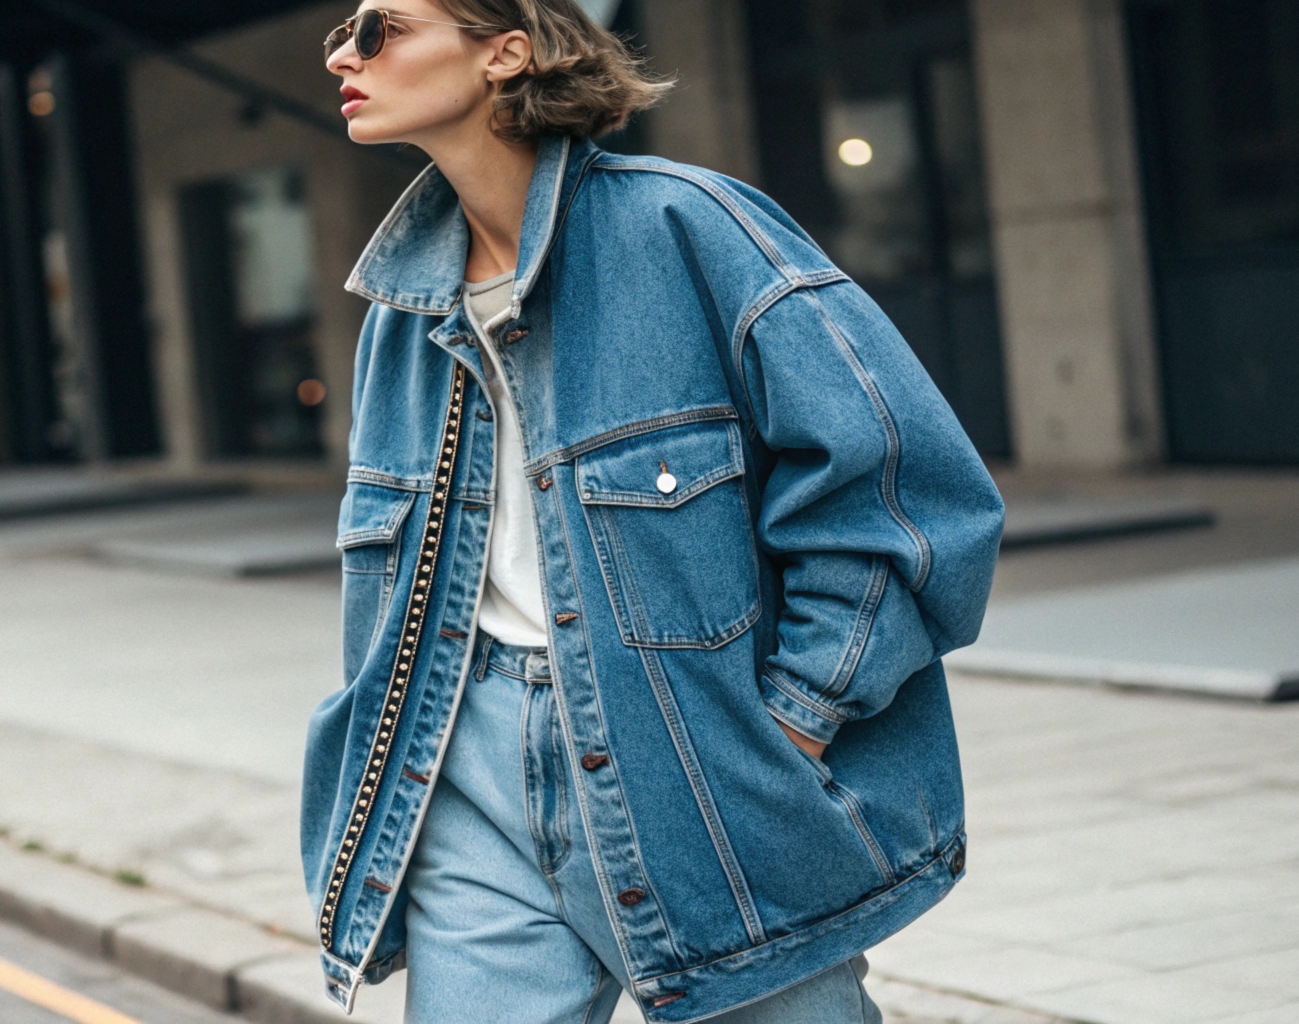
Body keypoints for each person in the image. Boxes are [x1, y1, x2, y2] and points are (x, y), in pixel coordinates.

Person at [302, 1, 1004, 1020]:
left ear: (506, 49)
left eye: (379, 27)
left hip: (691, 758)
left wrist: (796, 717)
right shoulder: (400, 320)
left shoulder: (689, 228)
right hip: (468, 772)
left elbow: (898, 488)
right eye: (341, 27)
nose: (341, 53)